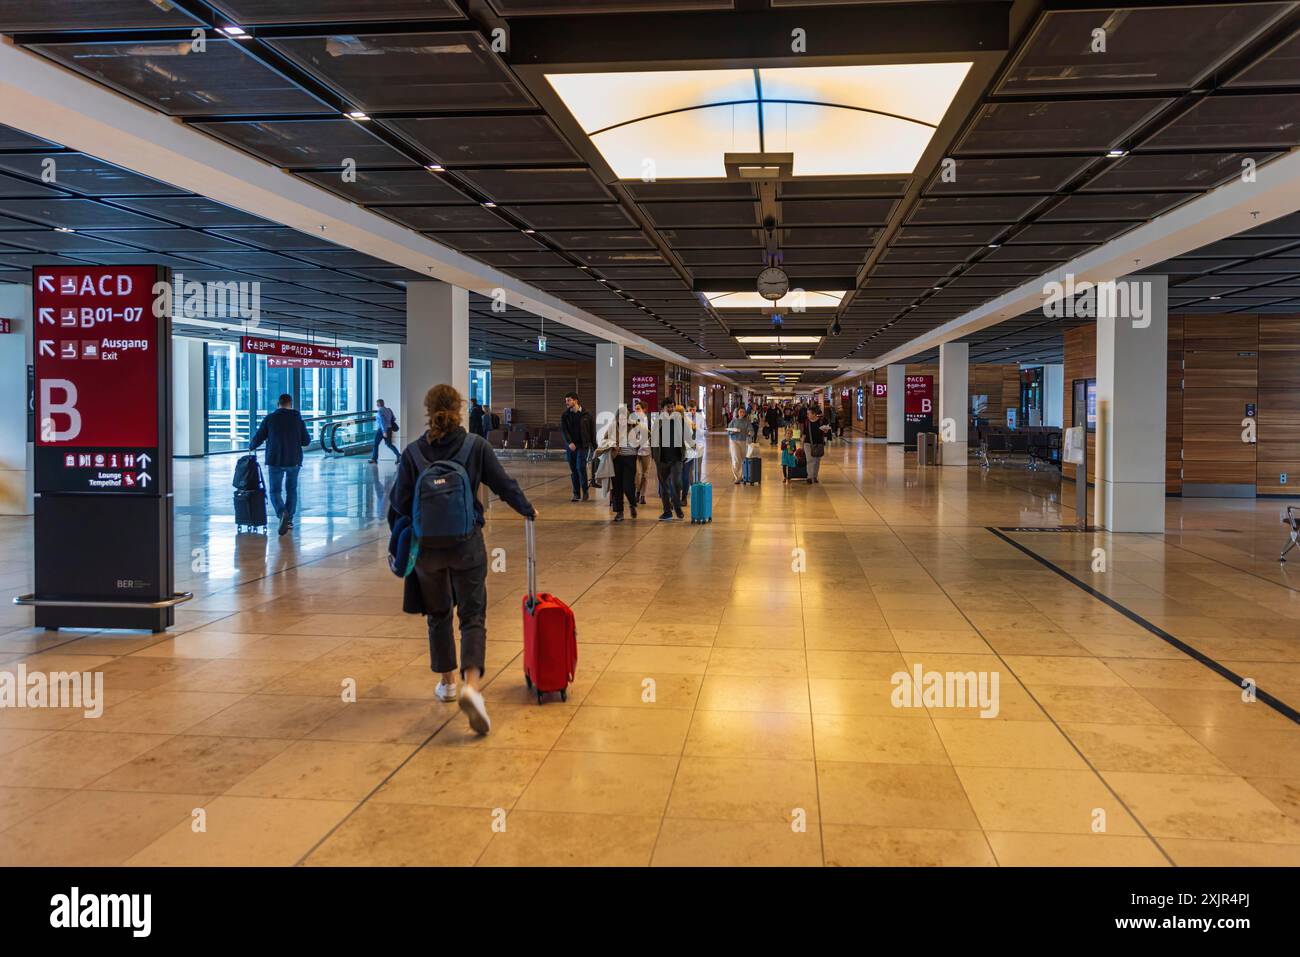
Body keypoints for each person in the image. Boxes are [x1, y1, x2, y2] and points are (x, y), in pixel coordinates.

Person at [388, 384, 537, 735]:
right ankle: (472, 685)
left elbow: (398, 503)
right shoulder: (475, 446)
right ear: (459, 409)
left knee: (438, 614)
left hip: (427, 550)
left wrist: (403, 541)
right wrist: (527, 510)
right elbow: (503, 485)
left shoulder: (413, 453)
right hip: (466, 544)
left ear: (428, 411)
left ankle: (448, 683)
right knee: (472, 615)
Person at [251, 392, 310, 536]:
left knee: (275, 491)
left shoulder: (270, 418)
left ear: (278, 404)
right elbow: (306, 441)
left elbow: (259, 436)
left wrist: (252, 446)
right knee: (291, 490)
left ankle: (282, 512)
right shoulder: (297, 419)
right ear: (291, 404)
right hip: (293, 460)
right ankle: (289, 520)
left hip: (275, 459)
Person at [601, 404, 644, 522]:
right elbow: (604, 440)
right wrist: (612, 444)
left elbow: (644, 439)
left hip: (630, 458)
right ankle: (619, 512)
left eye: (625, 418)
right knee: (617, 486)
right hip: (617, 458)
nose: (622, 420)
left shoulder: (635, 426)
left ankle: (632, 504)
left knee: (628, 485)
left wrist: (639, 443)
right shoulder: (613, 427)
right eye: (620, 418)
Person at [651, 398, 687, 521]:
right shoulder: (658, 422)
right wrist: (655, 457)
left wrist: (685, 452)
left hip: (676, 458)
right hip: (662, 459)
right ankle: (667, 511)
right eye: (668, 407)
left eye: (672, 406)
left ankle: (677, 507)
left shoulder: (679, 420)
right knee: (664, 487)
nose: (671, 409)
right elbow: (653, 439)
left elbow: (686, 435)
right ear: (663, 409)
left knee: (677, 483)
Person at [560, 392, 595, 502]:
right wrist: (569, 442)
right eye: (566, 400)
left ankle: (585, 491)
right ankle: (576, 494)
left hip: (583, 446)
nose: (567, 402)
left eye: (569, 400)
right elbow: (564, 431)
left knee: (580, 467)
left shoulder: (587, 414)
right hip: (571, 447)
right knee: (574, 469)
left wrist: (594, 446)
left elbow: (592, 431)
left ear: (575, 401)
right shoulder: (565, 415)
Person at [629, 399, 652, 506]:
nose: (636, 410)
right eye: (635, 409)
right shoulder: (632, 421)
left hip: (647, 450)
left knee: (645, 474)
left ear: (644, 410)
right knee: (637, 474)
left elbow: (652, 435)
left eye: (638, 409)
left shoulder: (649, 420)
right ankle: (637, 492)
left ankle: (642, 495)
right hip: (635, 451)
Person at [369, 398, 401, 464]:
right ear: (383, 403)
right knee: (389, 444)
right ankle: (399, 456)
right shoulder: (389, 410)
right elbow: (394, 418)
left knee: (375, 444)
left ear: (377, 404)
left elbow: (382, 422)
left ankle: (374, 459)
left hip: (382, 430)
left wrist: (384, 431)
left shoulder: (379, 411)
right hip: (389, 429)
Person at [807, 408, 832, 485]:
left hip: (818, 444)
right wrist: (802, 444)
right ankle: (809, 477)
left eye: (809, 413)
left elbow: (827, 431)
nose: (807, 415)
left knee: (816, 461)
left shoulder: (821, 421)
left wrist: (826, 431)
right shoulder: (806, 422)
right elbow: (804, 433)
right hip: (807, 443)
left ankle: (814, 476)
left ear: (814, 414)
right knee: (809, 460)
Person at [726, 407, 749, 484]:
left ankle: (742, 476)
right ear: (738, 413)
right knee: (736, 459)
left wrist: (750, 433)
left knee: (743, 459)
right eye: (740, 412)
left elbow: (751, 430)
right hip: (734, 441)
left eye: (743, 412)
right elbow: (728, 431)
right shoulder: (733, 421)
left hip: (743, 441)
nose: (742, 413)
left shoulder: (747, 421)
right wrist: (733, 431)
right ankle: (737, 477)